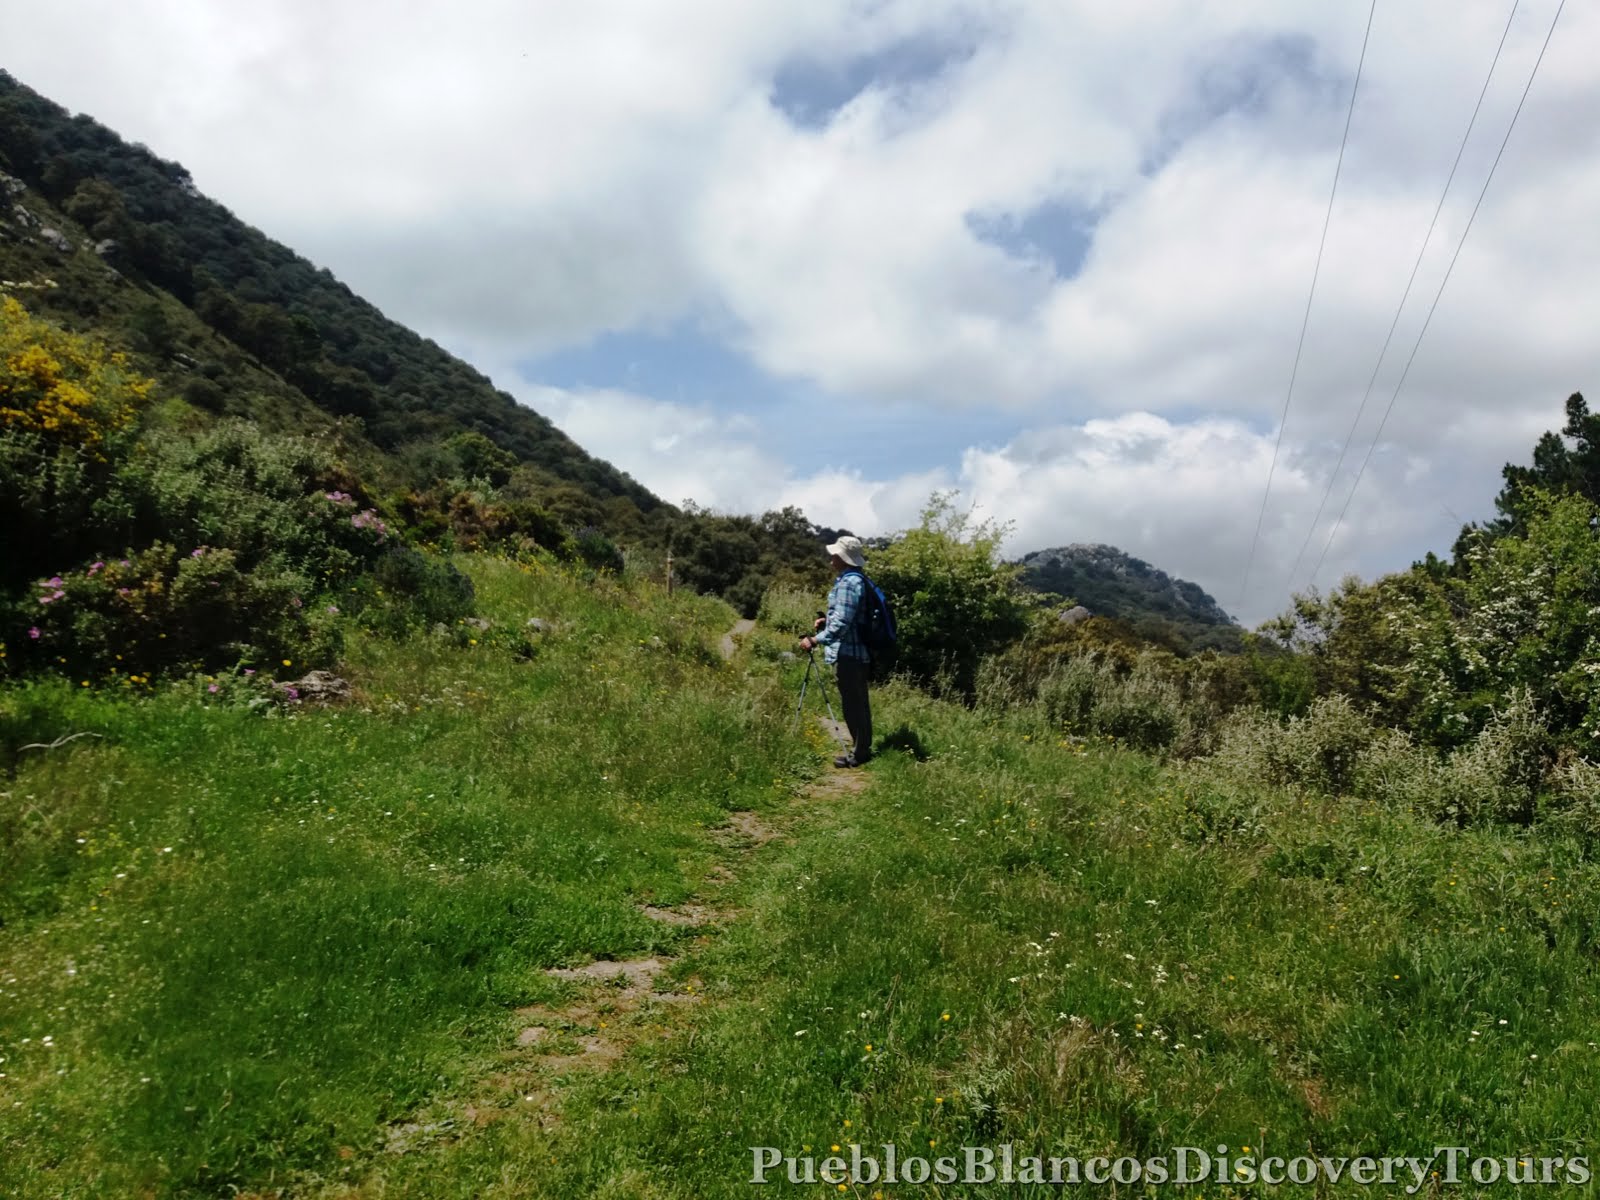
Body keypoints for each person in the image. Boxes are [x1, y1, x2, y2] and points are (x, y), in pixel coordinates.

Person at [798, 535, 873, 768]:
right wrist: (826, 620)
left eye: (835, 554)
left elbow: (842, 624)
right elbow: (844, 618)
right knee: (858, 702)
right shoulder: (854, 580)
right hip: (857, 653)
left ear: (844, 558)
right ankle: (862, 748)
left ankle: (859, 754)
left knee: (853, 704)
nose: (831, 558)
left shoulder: (850, 583)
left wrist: (815, 640)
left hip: (850, 655)